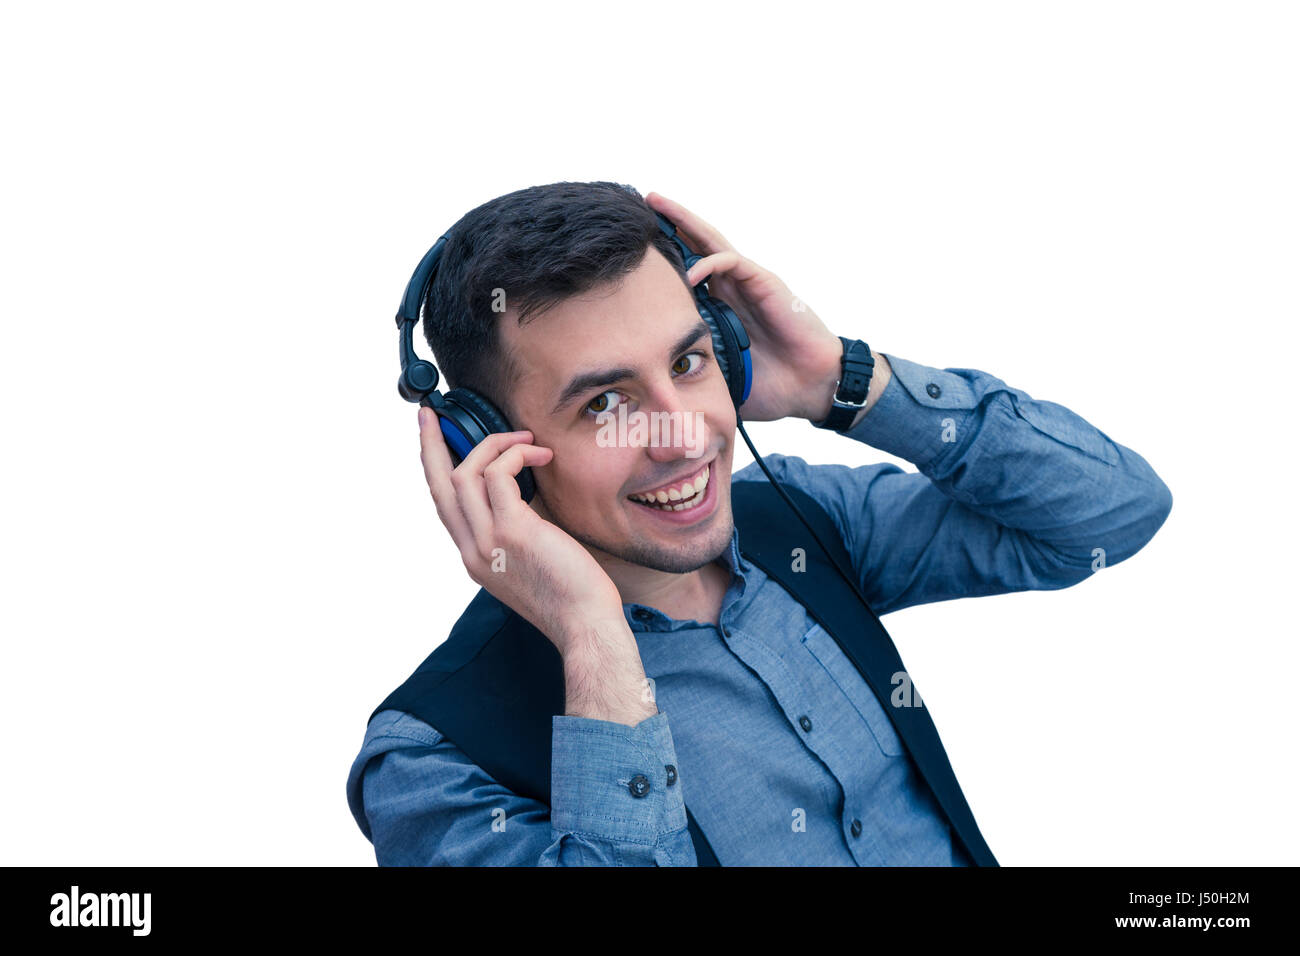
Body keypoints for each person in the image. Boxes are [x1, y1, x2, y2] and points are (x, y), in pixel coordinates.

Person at [345, 181, 1172, 865]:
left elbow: (1112, 511)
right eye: (605, 403)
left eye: (689, 361)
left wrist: (843, 383)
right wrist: (592, 638)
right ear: (482, 447)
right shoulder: (430, 762)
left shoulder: (806, 524)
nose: (689, 433)